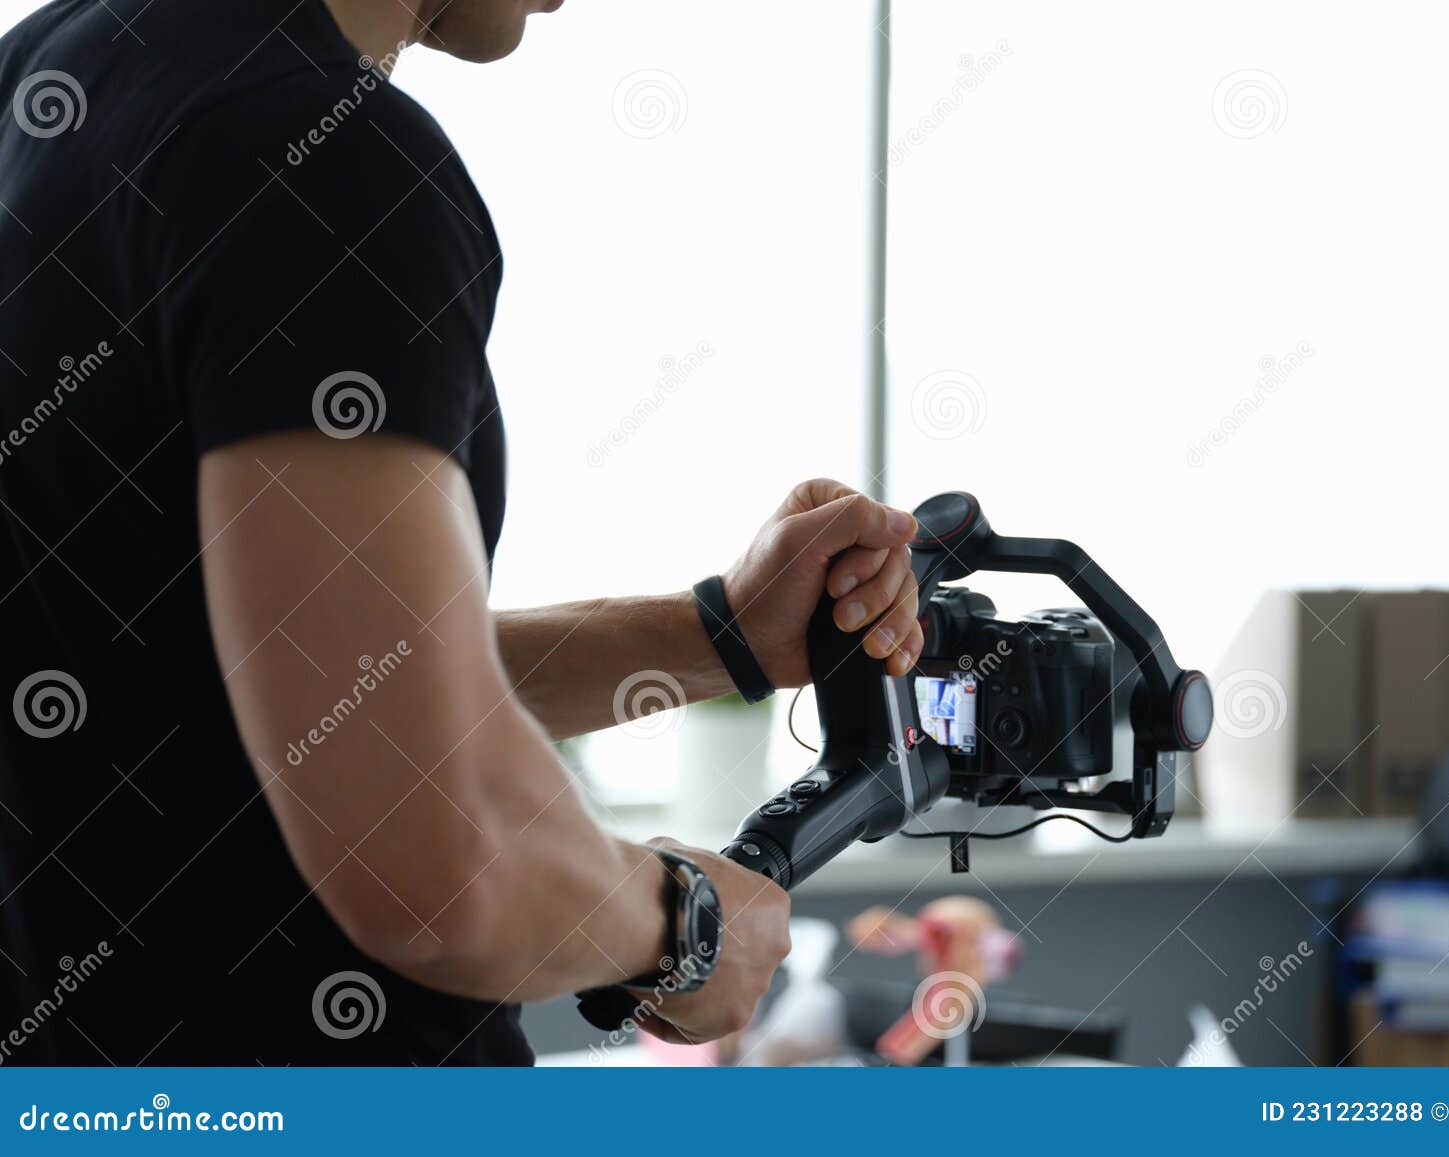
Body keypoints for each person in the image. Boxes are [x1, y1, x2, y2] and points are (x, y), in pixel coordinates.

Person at [0, 0, 924, 1064]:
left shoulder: (52, 77)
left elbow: (307, 698)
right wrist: (686, 921)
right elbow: (435, 857)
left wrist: (709, 634)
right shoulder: (331, 161)